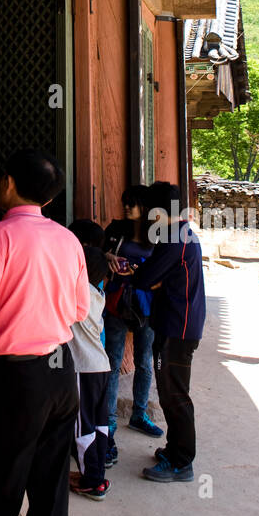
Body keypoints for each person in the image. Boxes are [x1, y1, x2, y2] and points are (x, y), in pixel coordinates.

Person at [0, 149, 90, 516]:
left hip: (17, 377)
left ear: (7, 184)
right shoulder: (68, 241)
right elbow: (81, 311)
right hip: (63, 374)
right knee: (49, 496)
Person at [113, 182, 205, 484]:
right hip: (179, 325)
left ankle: (181, 463)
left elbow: (146, 278)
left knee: (174, 394)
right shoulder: (182, 233)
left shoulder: (173, 239)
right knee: (170, 391)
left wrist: (141, 275)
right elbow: (152, 278)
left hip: (175, 330)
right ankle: (174, 449)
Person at [102, 185, 163, 467]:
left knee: (144, 361)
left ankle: (139, 414)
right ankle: (110, 421)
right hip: (117, 303)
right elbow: (96, 252)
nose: (127, 208)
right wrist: (108, 258)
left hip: (148, 305)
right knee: (112, 361)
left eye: (133, 204)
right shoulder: (116, 229)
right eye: (125, 203)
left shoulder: (158, 234)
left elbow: (168, 268)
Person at [65, 229, 111, 500]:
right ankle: (96, 474)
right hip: (101, 366)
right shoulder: (98, 294)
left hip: (84, 368)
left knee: (82, 427)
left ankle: (92, 481)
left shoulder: (77, 293)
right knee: (100, 425)